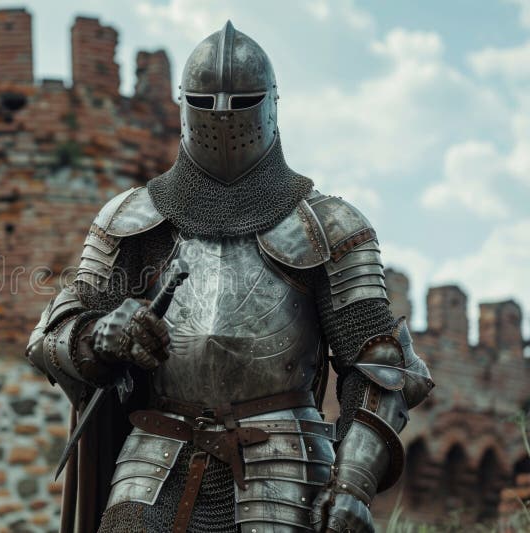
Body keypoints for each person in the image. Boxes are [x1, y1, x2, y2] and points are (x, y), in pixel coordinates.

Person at [26, 20, 434, 533]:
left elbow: (381, 366)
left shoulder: (328, 227)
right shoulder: (130, 220)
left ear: (270, 106)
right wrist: (100, 335)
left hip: (286, 467)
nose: (221, 116)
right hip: (152, 464)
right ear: (184, 106)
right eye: (204, 101)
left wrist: (353, 485)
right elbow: (48, 336)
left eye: (241, 102)